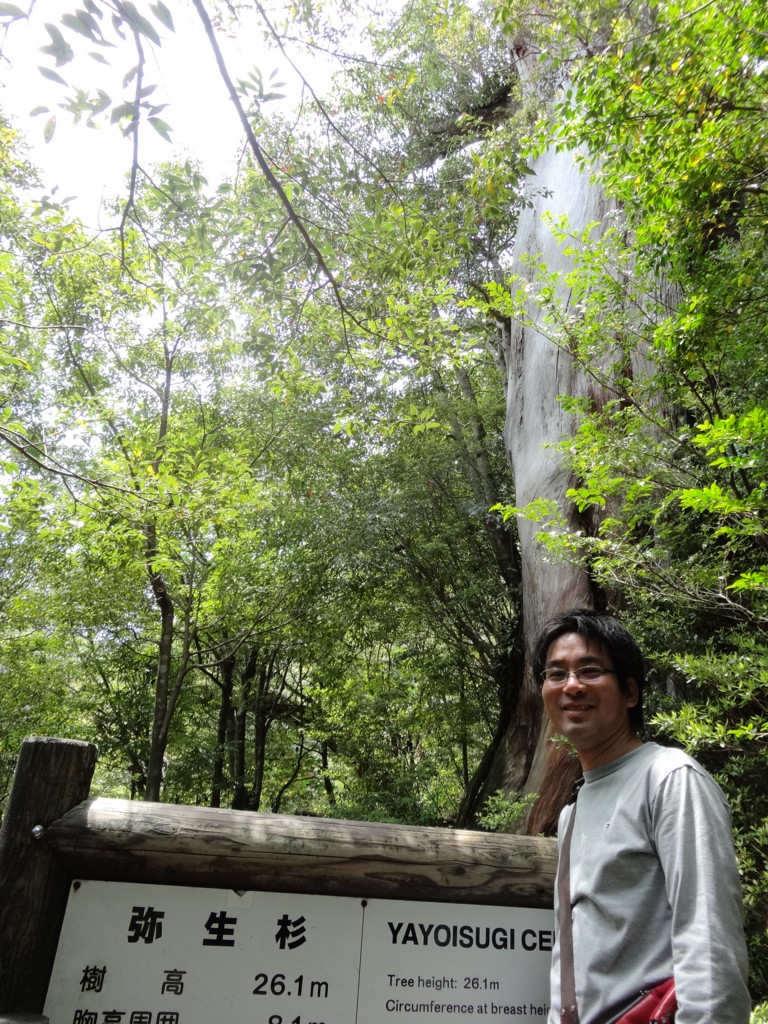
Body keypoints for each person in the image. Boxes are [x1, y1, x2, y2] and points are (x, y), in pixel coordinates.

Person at [534, 608, 751, 1024]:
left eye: (590, 670)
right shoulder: (572, 814)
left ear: (630, 692)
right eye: (556, 674)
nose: (572, 686)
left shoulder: (669, 779)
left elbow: (709, 941)